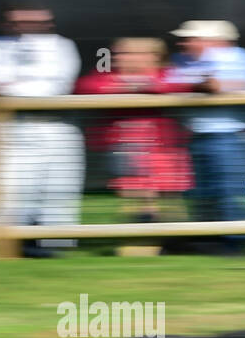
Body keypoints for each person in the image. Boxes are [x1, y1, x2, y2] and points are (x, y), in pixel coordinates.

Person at [75, 38, 192, 243]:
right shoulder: (106, 73)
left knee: (170, 197)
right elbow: (87, 87)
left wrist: (139, 84)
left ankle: (178, 241)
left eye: (129, 53)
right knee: (136, 196)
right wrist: (134, 85)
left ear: (153, 56)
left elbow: (179, 85)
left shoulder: (170, 72)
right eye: (119, 54)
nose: (120, 58)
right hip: (124, 144)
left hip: (165, 146)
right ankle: (139, 241)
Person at [0, 3, 84, 257]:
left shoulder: (62, 46)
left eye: (35, 23)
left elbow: (56, 85)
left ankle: (54, 244)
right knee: (14, 188)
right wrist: (19, 85)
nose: (27, 29)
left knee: (59, 188)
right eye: (19, 23)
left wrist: (11, 86)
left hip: (55, 124)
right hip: (11, 126)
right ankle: (16, 243)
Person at [164, 20, 245, 252]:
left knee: (231, 191)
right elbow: (167, 82)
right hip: (195, 135)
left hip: (231, 136)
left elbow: (226, 85)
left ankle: (237, 243)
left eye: (190, 39)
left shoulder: (238, 56)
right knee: (200, 192)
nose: (182, 43)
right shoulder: (181, 59)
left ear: (215, 41)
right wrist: (198, 84)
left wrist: (192, 85)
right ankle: (208, 240)